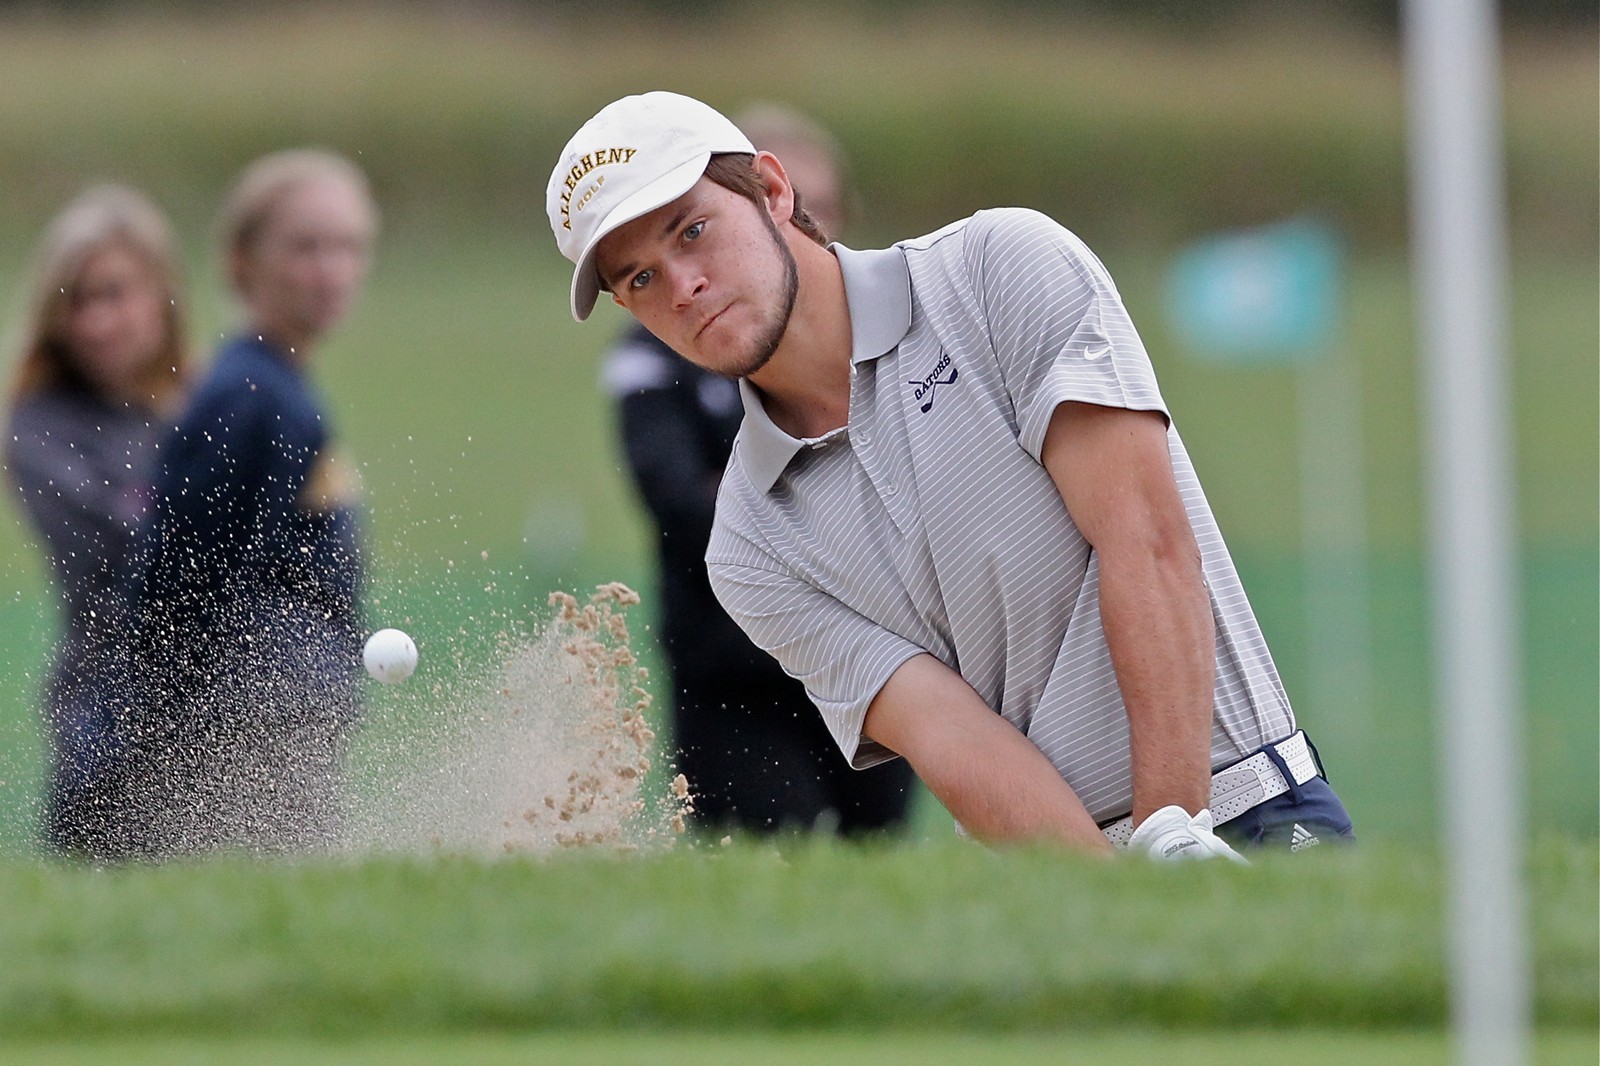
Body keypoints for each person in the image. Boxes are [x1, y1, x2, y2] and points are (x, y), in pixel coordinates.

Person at [546, 91, 1355, 859]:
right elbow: (953, 739)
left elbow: (1145, 542)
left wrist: (1177, 837)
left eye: (692, 231)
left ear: (772, 189)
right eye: (641, 278)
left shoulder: (996, 270)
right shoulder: (750, 547)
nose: (683, 287)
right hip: (1062, 886)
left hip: (1250, 809)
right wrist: (1125, 907)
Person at [600, 103, 915, 837]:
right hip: (733, 674)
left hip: (884, 657)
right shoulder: (662, 347)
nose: (803, 223)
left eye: (823, 205)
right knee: (767, 860)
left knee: (884, 864)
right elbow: (681, 501)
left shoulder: (897, 332)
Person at [128, 149, 378, 855]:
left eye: (349, 247)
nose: (331, 270)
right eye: (305, 247)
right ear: (242, 261)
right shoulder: (252, 399)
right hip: (245, 732)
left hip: (281, 712)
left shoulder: (278, 386)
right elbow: (186, 586)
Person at [3, 185, 192, 860]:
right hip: (108, 715)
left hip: (228, 702)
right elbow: (127, 547)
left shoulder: (209, 402)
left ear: (160, 294)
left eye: (115, 293)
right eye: (76, 302)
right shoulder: (37, 424)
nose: (95, 321)